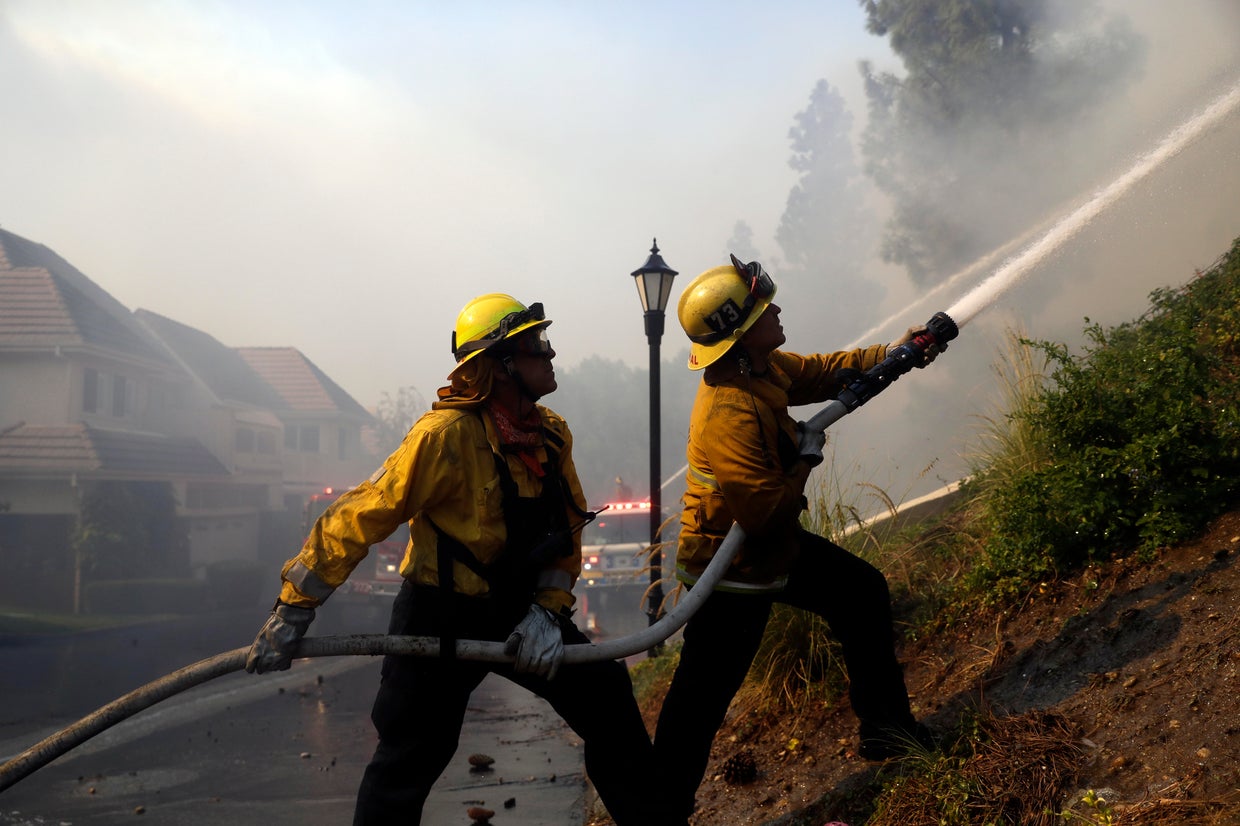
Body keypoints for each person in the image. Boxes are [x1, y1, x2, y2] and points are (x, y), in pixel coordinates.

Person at [246, 294, 668, 825]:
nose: (551, 353)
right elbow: (357, 517)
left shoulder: (550, 435)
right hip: (437, 614)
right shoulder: (443, 438)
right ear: (499, 365)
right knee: (407, 759)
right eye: (536, 345)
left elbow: (564, 536)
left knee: (606, 698)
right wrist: (294, 608)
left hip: (518, 613)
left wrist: (548, 608)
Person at [653, 256, 939, 820]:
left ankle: (886, 731)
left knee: (861, 593)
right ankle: (659, 814)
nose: (778, 310)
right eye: (765, 309)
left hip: (768, 554)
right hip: (730, 571)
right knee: (701, 700)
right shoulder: (729, 409)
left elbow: (818, 372)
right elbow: (763, 514)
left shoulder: (759, 369)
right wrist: (806, 460)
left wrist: (894, 354)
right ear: (739, 333)